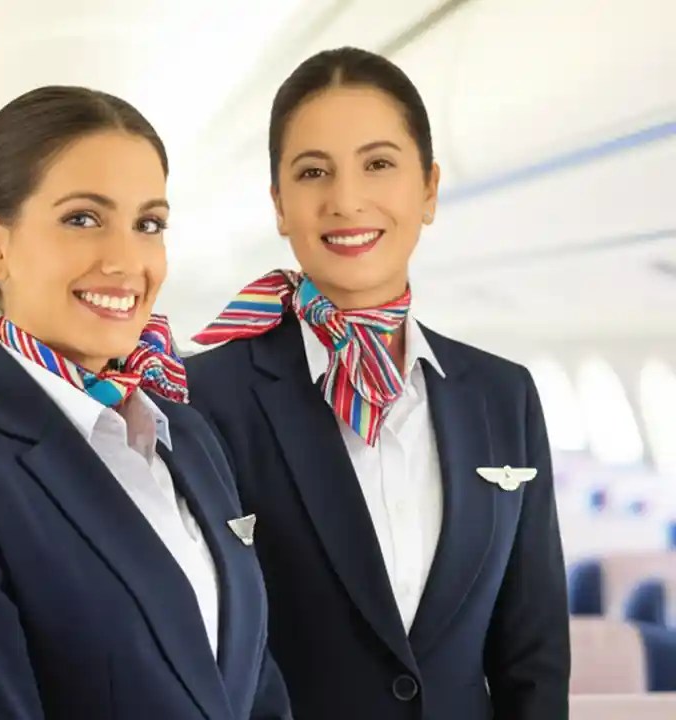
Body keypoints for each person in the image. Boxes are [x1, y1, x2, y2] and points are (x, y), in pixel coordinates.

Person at [0, 85, 292, 720]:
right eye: (83, 219)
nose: (125, 260)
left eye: (148, 224)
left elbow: (254, 687)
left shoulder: (189, 439)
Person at [185, 47, 570, 719]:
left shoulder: (503, 397)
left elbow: (531, 662)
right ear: (279, 204)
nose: (346, 199)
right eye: (313, 173)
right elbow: (196, 656)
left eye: (379, 164)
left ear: (428, 190)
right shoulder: (202, 399)